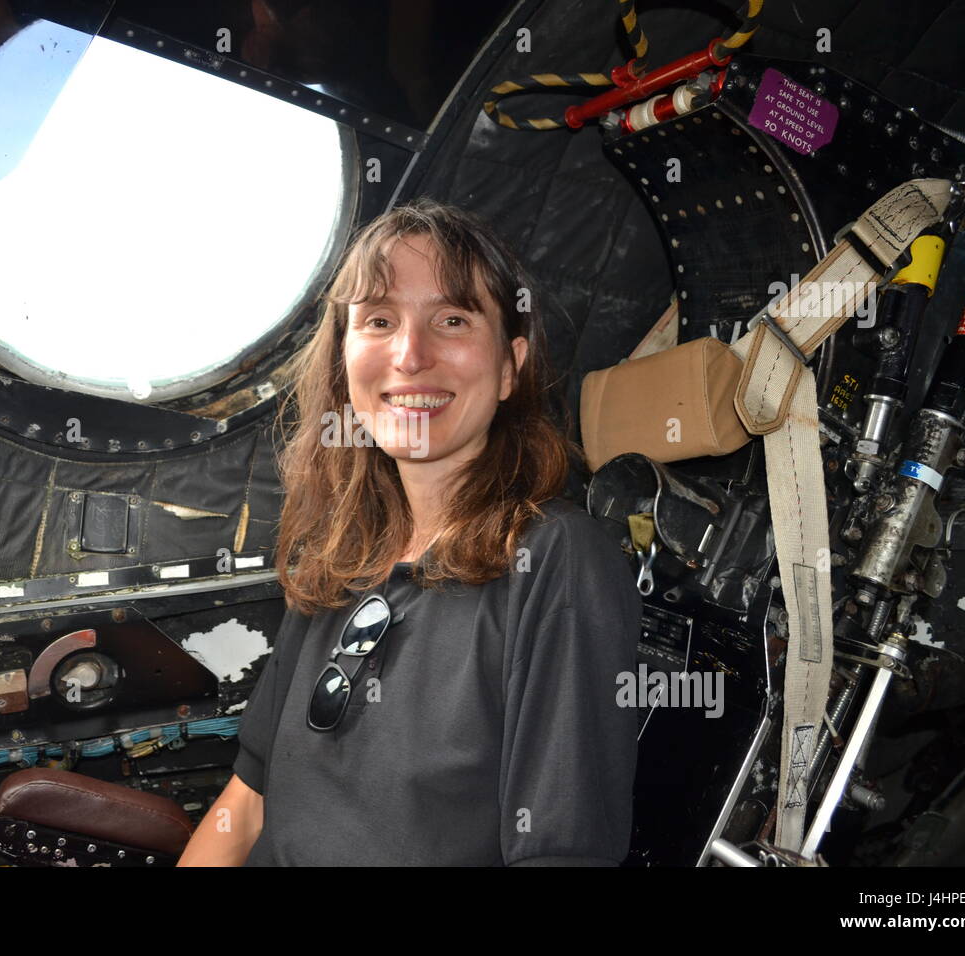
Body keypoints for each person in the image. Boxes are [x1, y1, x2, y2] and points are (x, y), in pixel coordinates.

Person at [176, 197, 642, 866]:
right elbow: (248, 802)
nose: (410, 355)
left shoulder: (555, 560)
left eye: (452, 320)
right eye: (379, 320)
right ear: (344, 360)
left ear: (509, 367)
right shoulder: (342, 552)